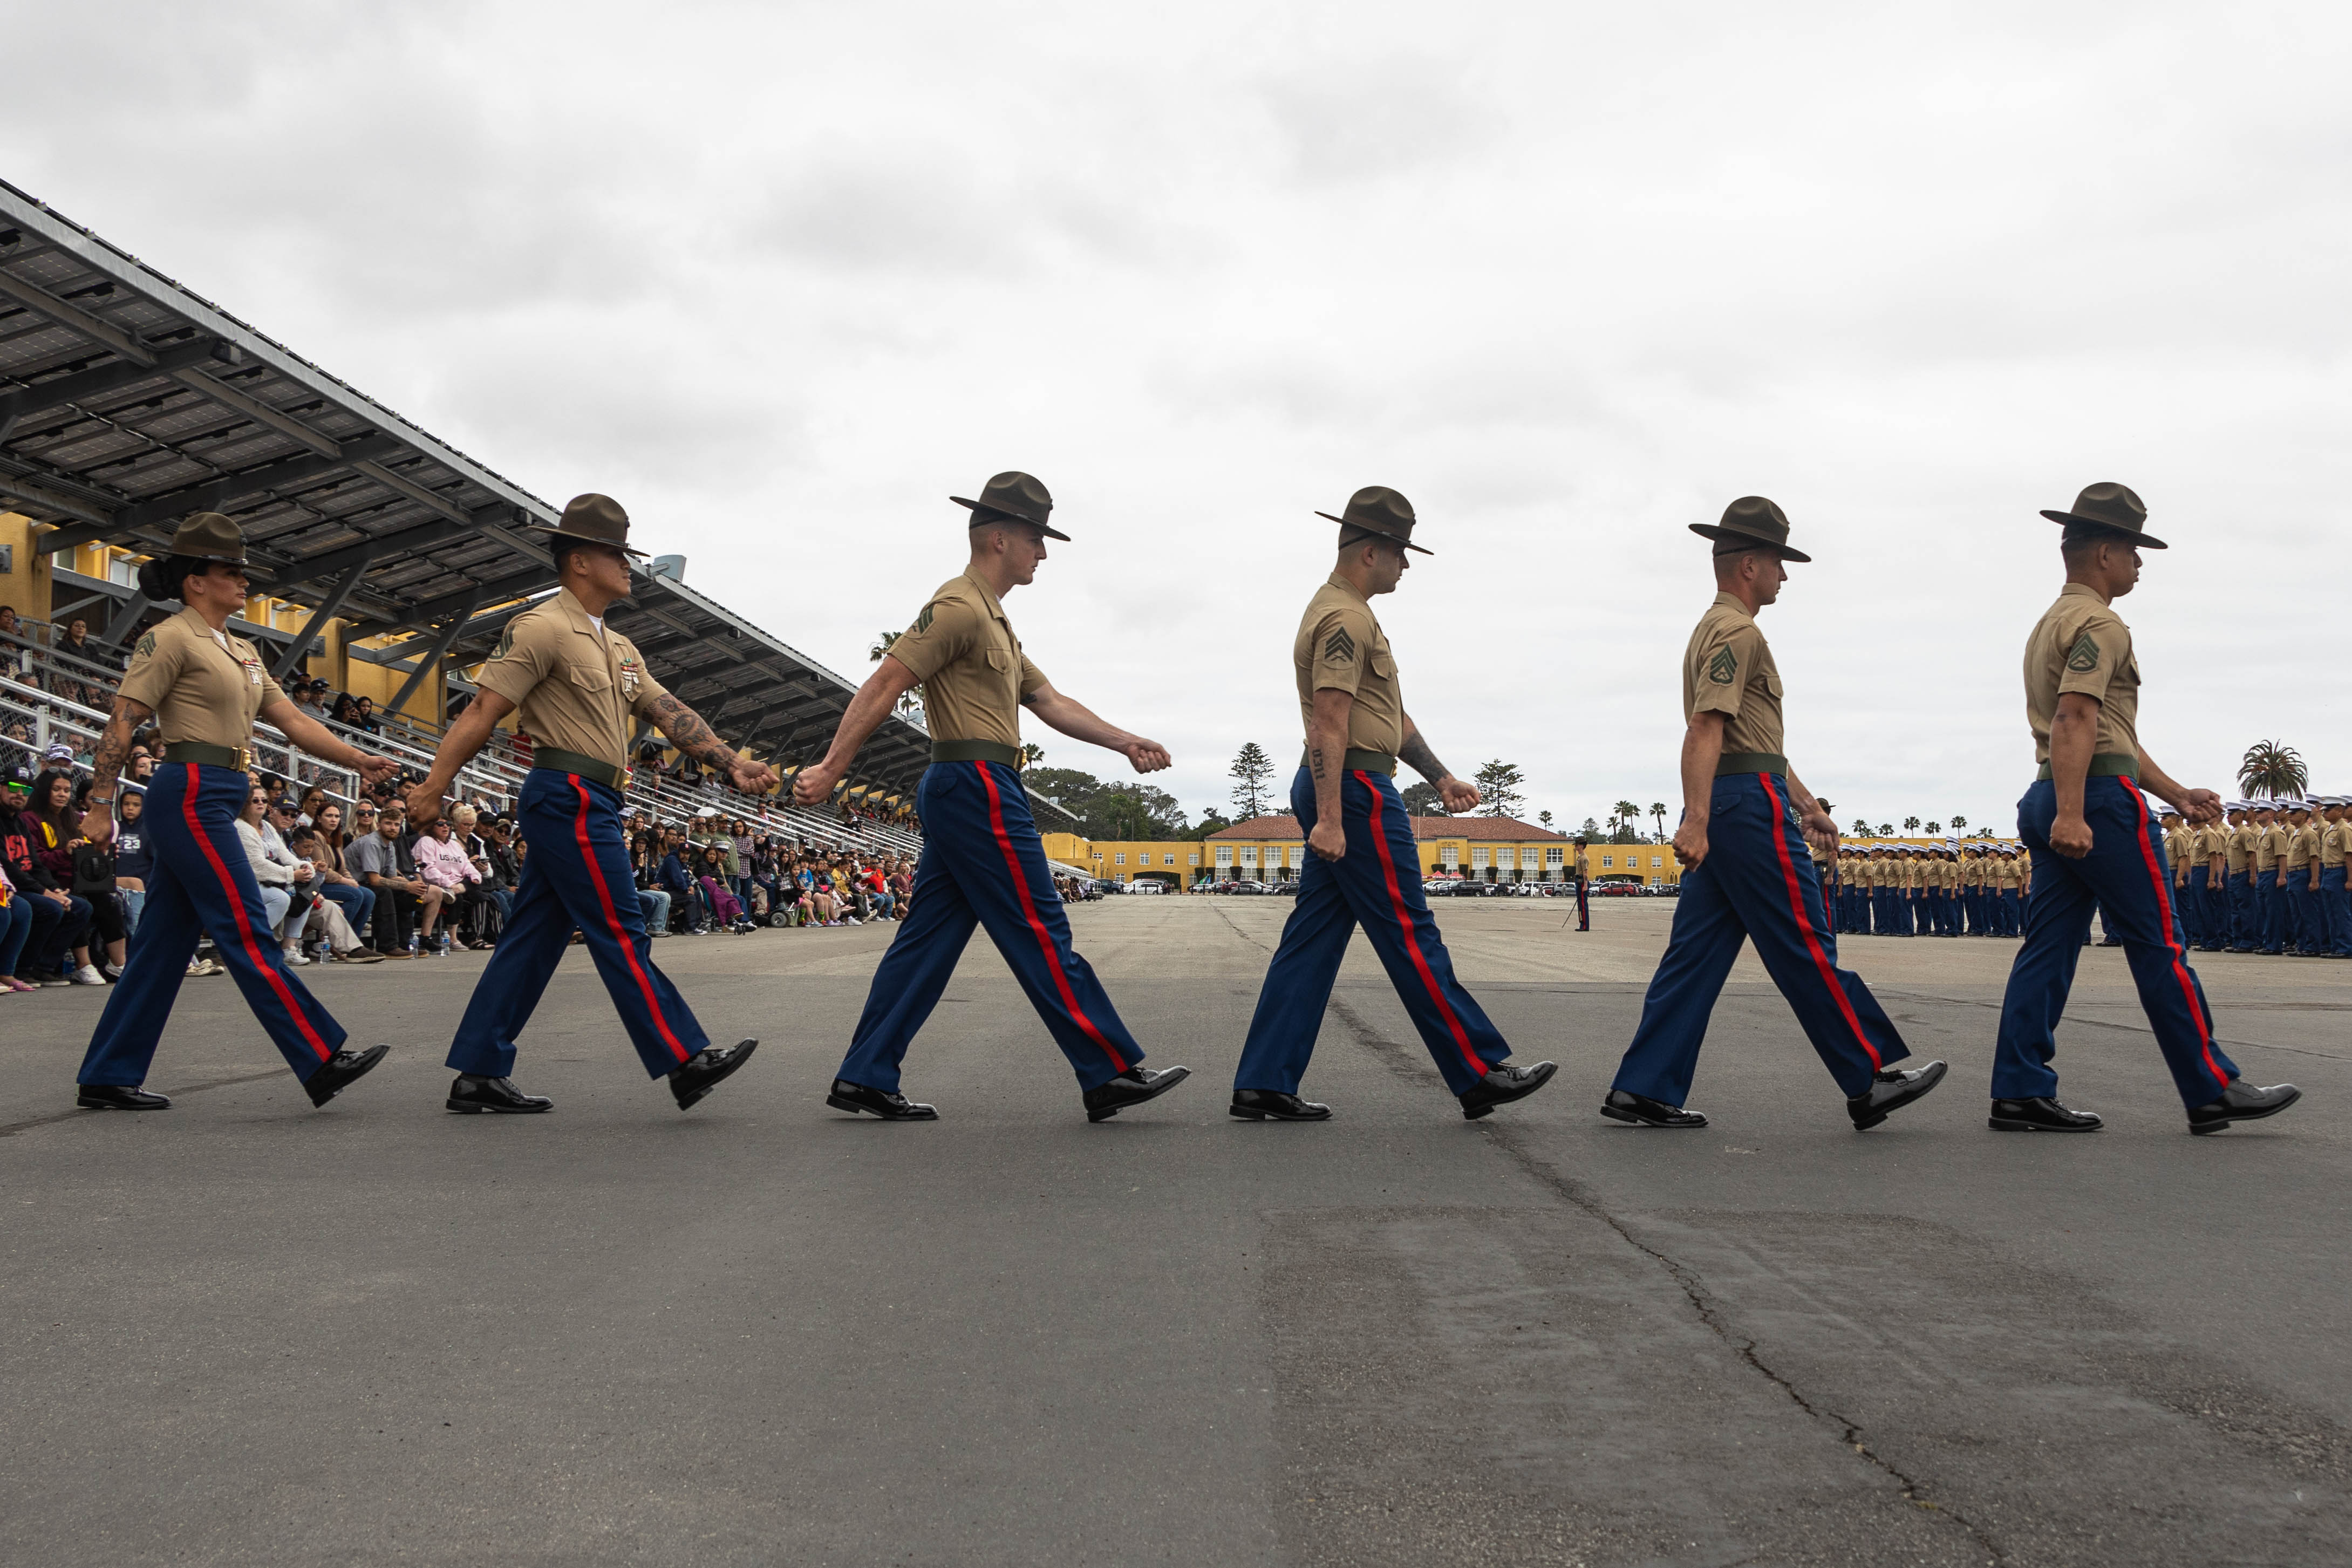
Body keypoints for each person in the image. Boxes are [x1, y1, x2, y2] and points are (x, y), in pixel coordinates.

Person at [794, 471, 1187, 1121]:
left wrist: (1125, 741)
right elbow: (887, 680)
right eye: (1037, 538)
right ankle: (1109, 1068)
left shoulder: (997, 620)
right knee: (1039, 925)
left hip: (974, 784)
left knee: (928, 939)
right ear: (1000, 538)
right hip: (974, 782)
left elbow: (1050, 702)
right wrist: (835, 766)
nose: (1044, 552)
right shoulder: (958, 606)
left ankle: (865, 1073)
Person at [407, 493, 764, 1114]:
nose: (628, 565)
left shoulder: (620, 645)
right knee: (620, 926)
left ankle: (479, 1071)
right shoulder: (542, 626)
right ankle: (682, 1056)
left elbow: (665, 709)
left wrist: (731, 762)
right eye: (615, 553)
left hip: (595, 796)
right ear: (578, 561)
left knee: (534, 938)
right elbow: (484, 709)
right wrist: (435, 785)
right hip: (566, 794)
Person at [1604, 497, 1940, 1131]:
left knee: (1695, 955)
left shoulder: (1714, 628)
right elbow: (1708, 725)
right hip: (1742, 807)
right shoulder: (1738, 633)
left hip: (1741, 794)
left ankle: (1643, 1086)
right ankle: (1867, 1076)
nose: (1785, 576)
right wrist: (1698, 817)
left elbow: (1756, 741)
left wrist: (1808, 805)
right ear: (1751, 565)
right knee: (1804, 941)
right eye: (1780, 564)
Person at [1227, 487, 1553, 1121]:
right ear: (1371, 550)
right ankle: (1478, 1067)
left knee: (1312, 941)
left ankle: (1264, 1079)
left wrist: (1440, 777)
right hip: (1351, 789)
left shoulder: (1353, 613)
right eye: (1401, 552)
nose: (1406, 565)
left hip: (1348, 784)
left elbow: (1391, 720)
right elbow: (1329, 720)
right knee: (1408, 929)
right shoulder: (1345, 618)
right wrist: (1329, 815)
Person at [1989, 484, 2298, 1134]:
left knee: (2047, 947)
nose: (2139, 563)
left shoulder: (2051, 621)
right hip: (2093, 800)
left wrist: (2175, 793)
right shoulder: (2101, 624)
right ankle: (2210, 1086)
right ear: (2105, 552)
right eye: (2133, 550)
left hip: (2056, 788)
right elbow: (2078, 716)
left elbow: (2107, 732)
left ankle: (2019, 1087)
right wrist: (2076, 812)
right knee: (2160, 941)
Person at [72, 513, 397, 1112]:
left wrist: (358, 757)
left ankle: (109, 1072)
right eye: (231, 572)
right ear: (195, 581)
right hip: (188, 789)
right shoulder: (168, 638)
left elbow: (295, 721)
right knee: (245, 921)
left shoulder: (242, 649)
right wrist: (98, 801)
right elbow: (123, 718)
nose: (244, 581)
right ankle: (319, 1054)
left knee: (165, 942)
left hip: (220, 788)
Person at [1570, 837, 1591, 931]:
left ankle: (1585, 926)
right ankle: (1582, 924)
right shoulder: (1579, 857)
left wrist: (1586, 885)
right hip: (1579, 881)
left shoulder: (1584, 858)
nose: (1576, 846)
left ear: (1581, 846)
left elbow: (1585, 873)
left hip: (1582, 882)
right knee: (1580, 904)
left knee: (1583, 904)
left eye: (1577, 844)